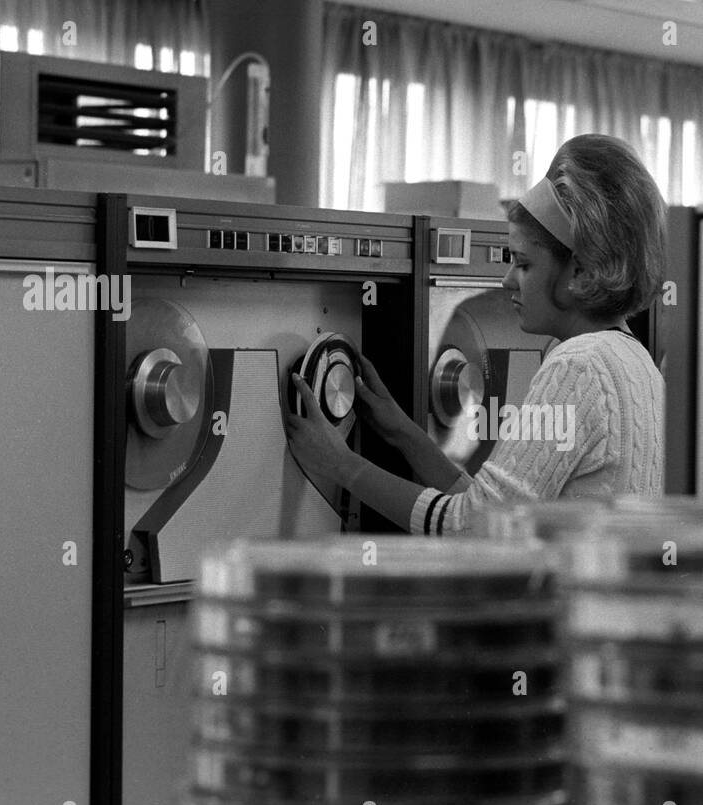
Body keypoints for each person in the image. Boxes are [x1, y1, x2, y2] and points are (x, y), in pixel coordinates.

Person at [285, 133, 666, 535]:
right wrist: (404, 433)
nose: (507, 282)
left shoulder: (578, 368)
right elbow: (500, 514)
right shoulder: (635, 363)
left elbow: (473, 527)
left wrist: (341, 466)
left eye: (523, 264)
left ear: (580, 271)